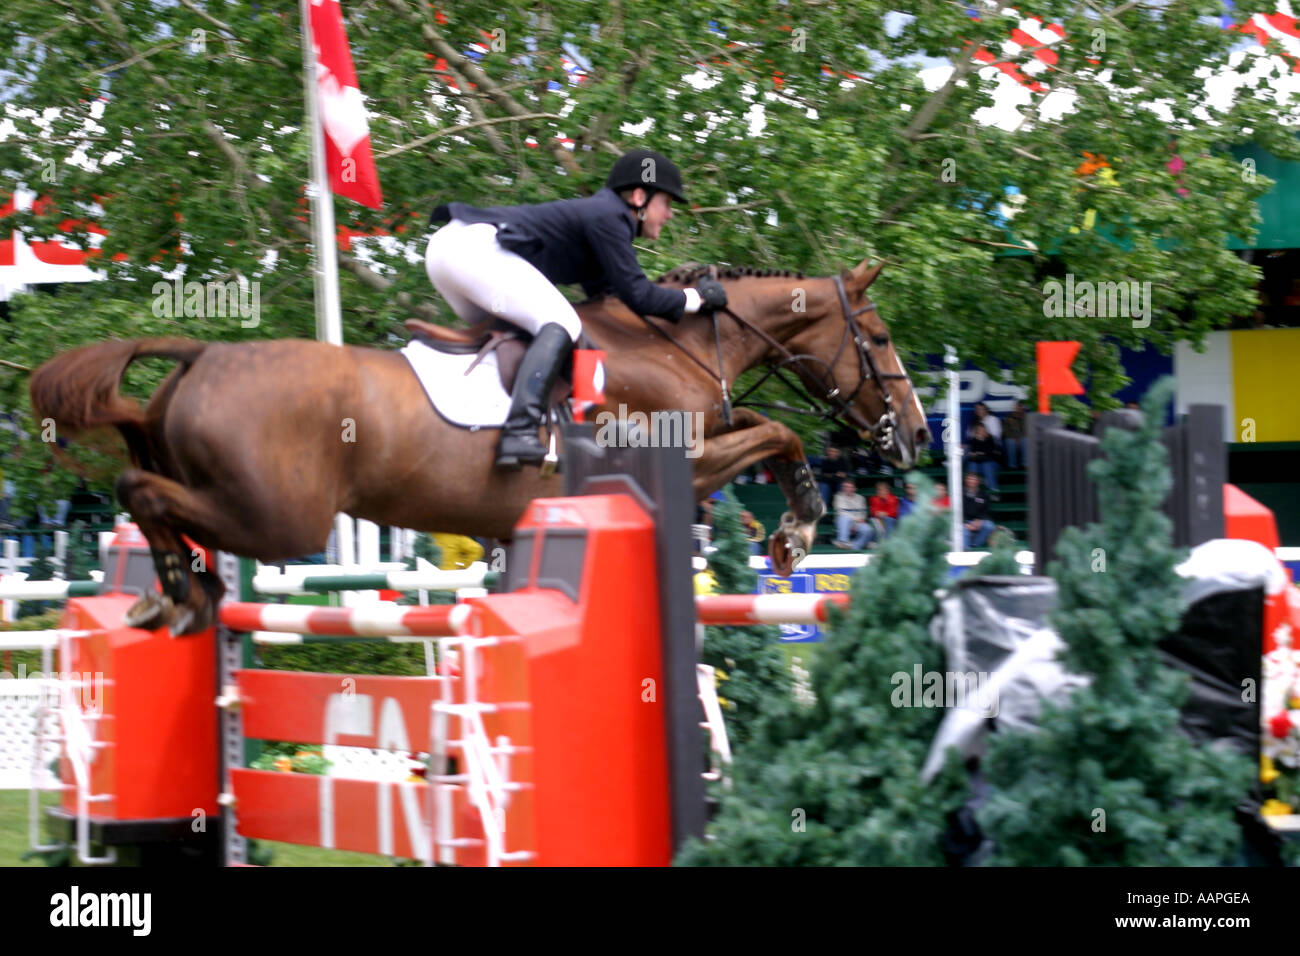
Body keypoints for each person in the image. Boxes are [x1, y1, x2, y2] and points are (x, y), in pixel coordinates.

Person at [425, 149, 729, 469]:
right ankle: (519, 433)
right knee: (562, 322)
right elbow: (638, 295)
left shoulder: (602, 217)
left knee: (523, 337)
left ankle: (485, 422)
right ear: (640, 196)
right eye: (666, 204)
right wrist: (696, 299)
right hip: (471, 249)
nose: (669, 215)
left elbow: (610, 300)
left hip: (451, 252)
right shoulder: (610, 216)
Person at [832, 480, 874, 550]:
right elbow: (841, 512)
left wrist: (858, 521)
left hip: (858, 522)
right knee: (844, 518)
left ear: (854, 488)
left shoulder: (860, 498)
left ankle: (854, 546)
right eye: (846, 487)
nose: (848, 489)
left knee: (867, 529)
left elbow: (863, 512)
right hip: (843, 522)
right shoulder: (838, 497)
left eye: (850, 487)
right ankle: (843, 541)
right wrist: (855, 520)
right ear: (843, 488)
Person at [965, 422, 1000, 496]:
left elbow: (991, 453)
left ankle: (993, 490)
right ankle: (971, 490)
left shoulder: (990, 439)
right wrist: (980, 452)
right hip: (977, 464)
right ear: (976, 431)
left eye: (982, 429)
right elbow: (971, 454)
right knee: (973, 464)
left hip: (991, 464)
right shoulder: (973, 440)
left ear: (985, 430)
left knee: (986, 464)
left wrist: (979, 453)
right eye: (979, 429)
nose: (981, 431)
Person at [962, 472, 995, 550]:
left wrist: (979, 520)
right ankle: (967, 550)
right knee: (963, 530)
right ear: (966, 481)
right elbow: (958, 511)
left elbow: (986, 510)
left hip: (978, 520)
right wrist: (965, 523)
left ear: (978, 481)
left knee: (989, 526)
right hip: (964, 521)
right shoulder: (961, 494)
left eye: (974, 479)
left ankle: (974, 545)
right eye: (969, 479)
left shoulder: (984, 495)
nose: (971, 481)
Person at [813, 445, 850, 509]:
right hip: (826, 482)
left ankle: (842, 509)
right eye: (831, 451)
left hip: (839, 483)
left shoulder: (843, 461)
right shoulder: (825, 461)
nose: (832, 453)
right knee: (823, 486)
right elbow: (824, 474)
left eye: (835, 451)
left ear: (838, 453)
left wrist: (831, 474)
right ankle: (823, 510)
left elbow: (844, 474)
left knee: (843, 485)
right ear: (828, 452)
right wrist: (836, 474)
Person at [1002, 400, 1026, 470]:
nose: (1019, 408)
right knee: (1010, 441)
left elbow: (1029, 431)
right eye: (1018, 406)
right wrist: (1014, 438)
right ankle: (1012, 466)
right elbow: (1005, 432)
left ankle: (1024, 465)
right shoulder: (1008, 418)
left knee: (1025, 440)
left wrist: (1020, 438)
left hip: (1023, 440)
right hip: (1012, 439)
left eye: (1021, 406)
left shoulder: (1027, 418)